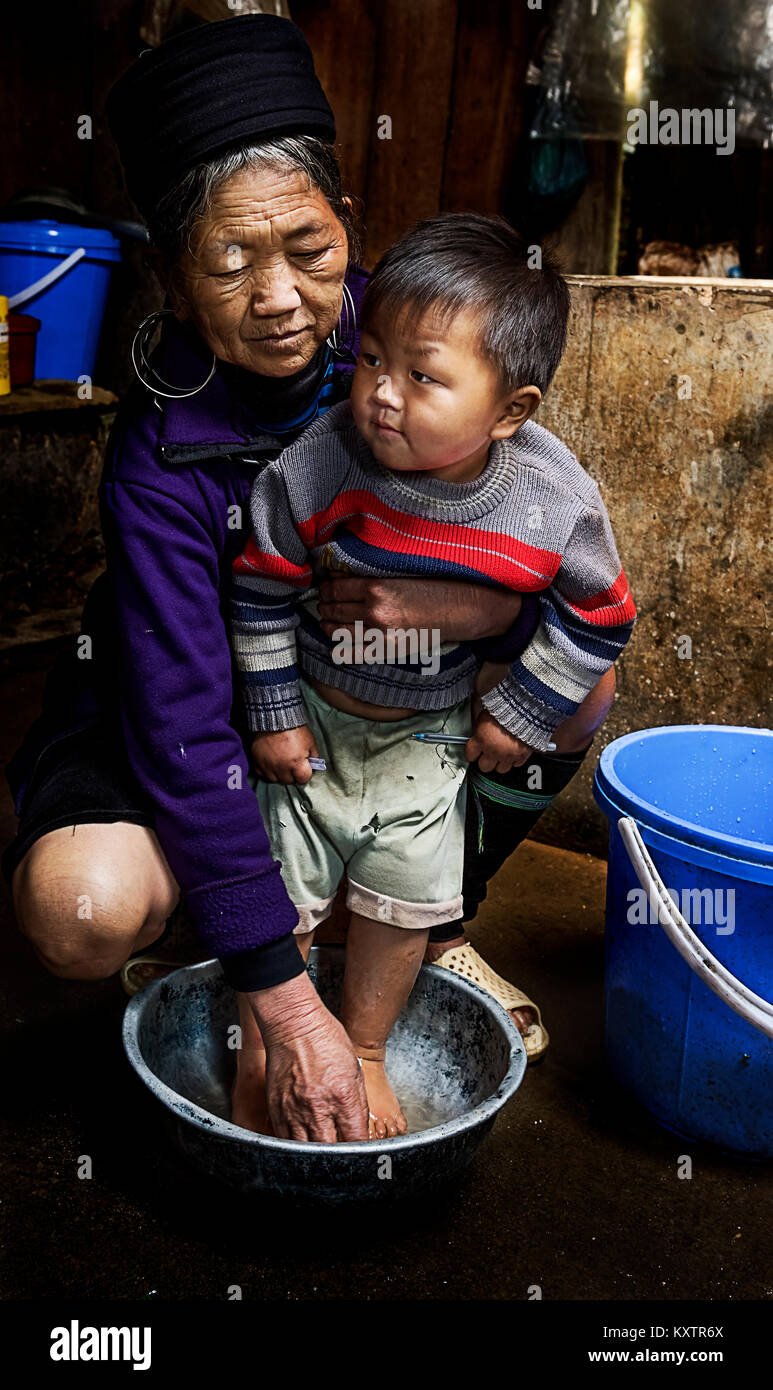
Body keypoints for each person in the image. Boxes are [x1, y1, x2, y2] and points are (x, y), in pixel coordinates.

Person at [2, 15, 575, 1144]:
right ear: (171, 277)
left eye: (308, 251)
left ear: (347, 231)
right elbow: (179, 716)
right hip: (207, 711)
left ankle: (421, 908)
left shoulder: (420, 342)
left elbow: (549, 545)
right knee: (80, 913)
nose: (280, 298)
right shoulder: (158, 454)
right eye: (229, 262)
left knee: (572, 681)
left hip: (379, 697)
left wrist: (484, 605)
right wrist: (282, 1000)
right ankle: (241, 923)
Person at [229, 213, 637, 1137]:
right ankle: (262, 1054)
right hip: (315, 732)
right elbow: (257, 588)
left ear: (508, 411)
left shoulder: (549, 498)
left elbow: (602, 613)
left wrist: (522, 712)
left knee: (401, 903)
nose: (380, 393)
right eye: (371, 358)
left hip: (428, 737)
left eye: (422, 376)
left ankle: (367, 1046)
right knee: (281, 902)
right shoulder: (320, 462)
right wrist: (273, 713)